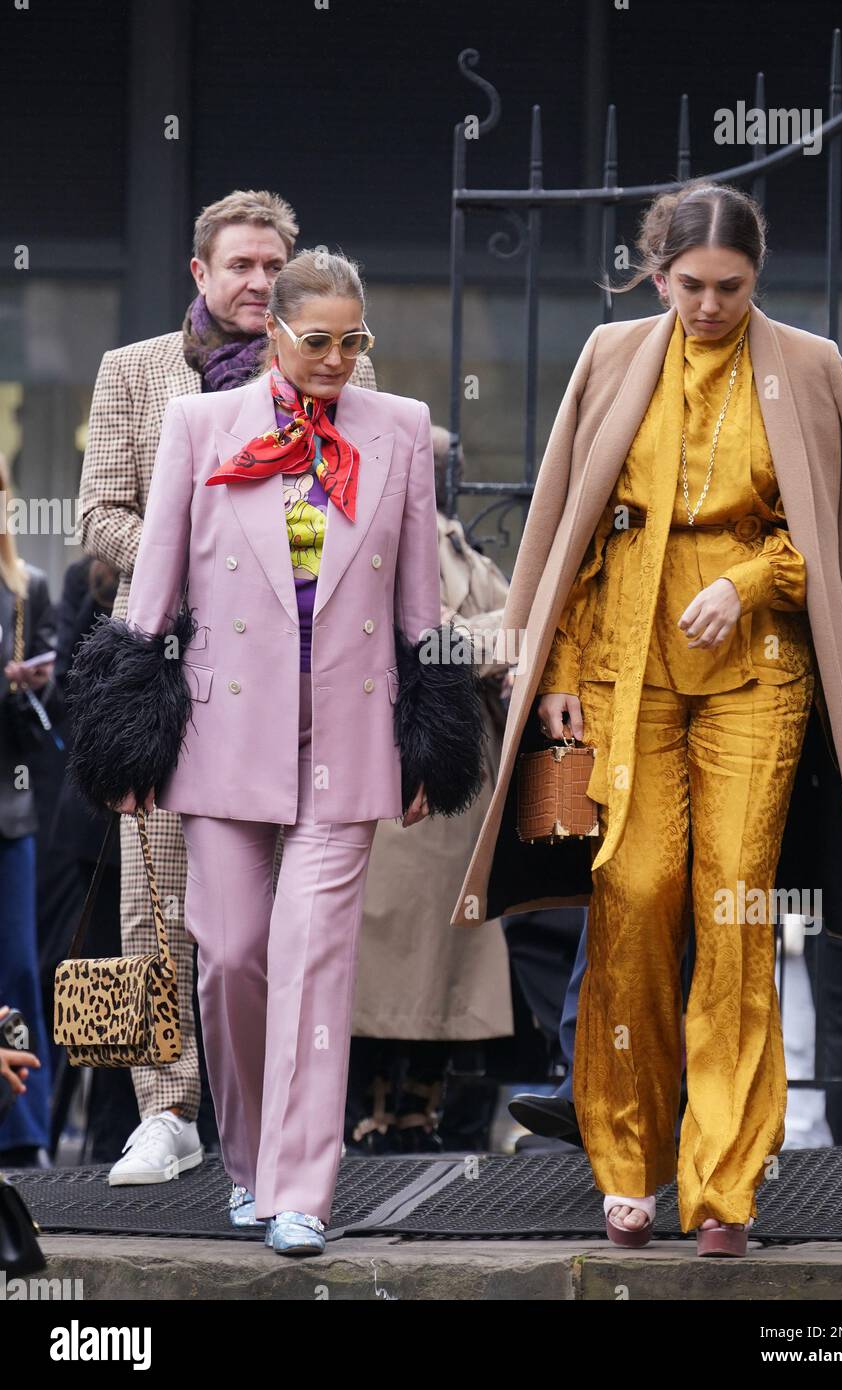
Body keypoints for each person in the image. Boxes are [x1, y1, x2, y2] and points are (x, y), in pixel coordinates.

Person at [450, 181, 842, 1257]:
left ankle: (723, 1179)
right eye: (691, 285)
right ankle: (626, 1157)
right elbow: (571, 523)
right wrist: (555, 663)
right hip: (623, 661)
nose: (710, 305)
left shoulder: (810, 364)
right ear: (657, 274)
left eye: (732, 287)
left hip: (754, 668)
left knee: (738, 909)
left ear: (759, 279)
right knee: (635, 890)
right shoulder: (612, 355)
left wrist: (748, 581)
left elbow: (836, 540)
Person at [66, 249, 483, 1255]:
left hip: (347, 739)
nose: (338, 357)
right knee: (235, 959)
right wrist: (128, 745)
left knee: (313, 957)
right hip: (223, 738)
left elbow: (419, 611)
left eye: (354, 340)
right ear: (275, 338)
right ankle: (249, 1161)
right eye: (319, 339)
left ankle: (304, 1185)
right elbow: (153, 595)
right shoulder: (201, 426)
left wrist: (428, 744)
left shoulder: (400, 431)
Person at [78, 189, 377, 1188]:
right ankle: (164, 1110)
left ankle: (284, 1128)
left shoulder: (346, 367)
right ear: (200, 274)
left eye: (271, 265)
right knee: (150, 897)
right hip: (173, 672)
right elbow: (102, 518)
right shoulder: (135, 371)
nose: (256, 281)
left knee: (285, 921)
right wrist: (202, 569)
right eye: (238, 265)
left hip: (298, 684)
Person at [347, 423, 514, 1152]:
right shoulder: (374, 540)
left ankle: (418, 1104)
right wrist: (479, 642)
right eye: (435, 466)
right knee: (378, 951)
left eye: (449, 466)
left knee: (444, 954)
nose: (443, 478)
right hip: (393, 771)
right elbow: (404, 637)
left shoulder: (463, 553)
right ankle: (371, 1107)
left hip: (452, 784)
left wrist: (471, 640)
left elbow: (516, 631)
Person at [0, 451, 61, 1167]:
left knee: (16, 967)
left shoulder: (25, 588)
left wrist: (27, 685)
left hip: (9, 809)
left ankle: (21, 1129)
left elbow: (45, 711)